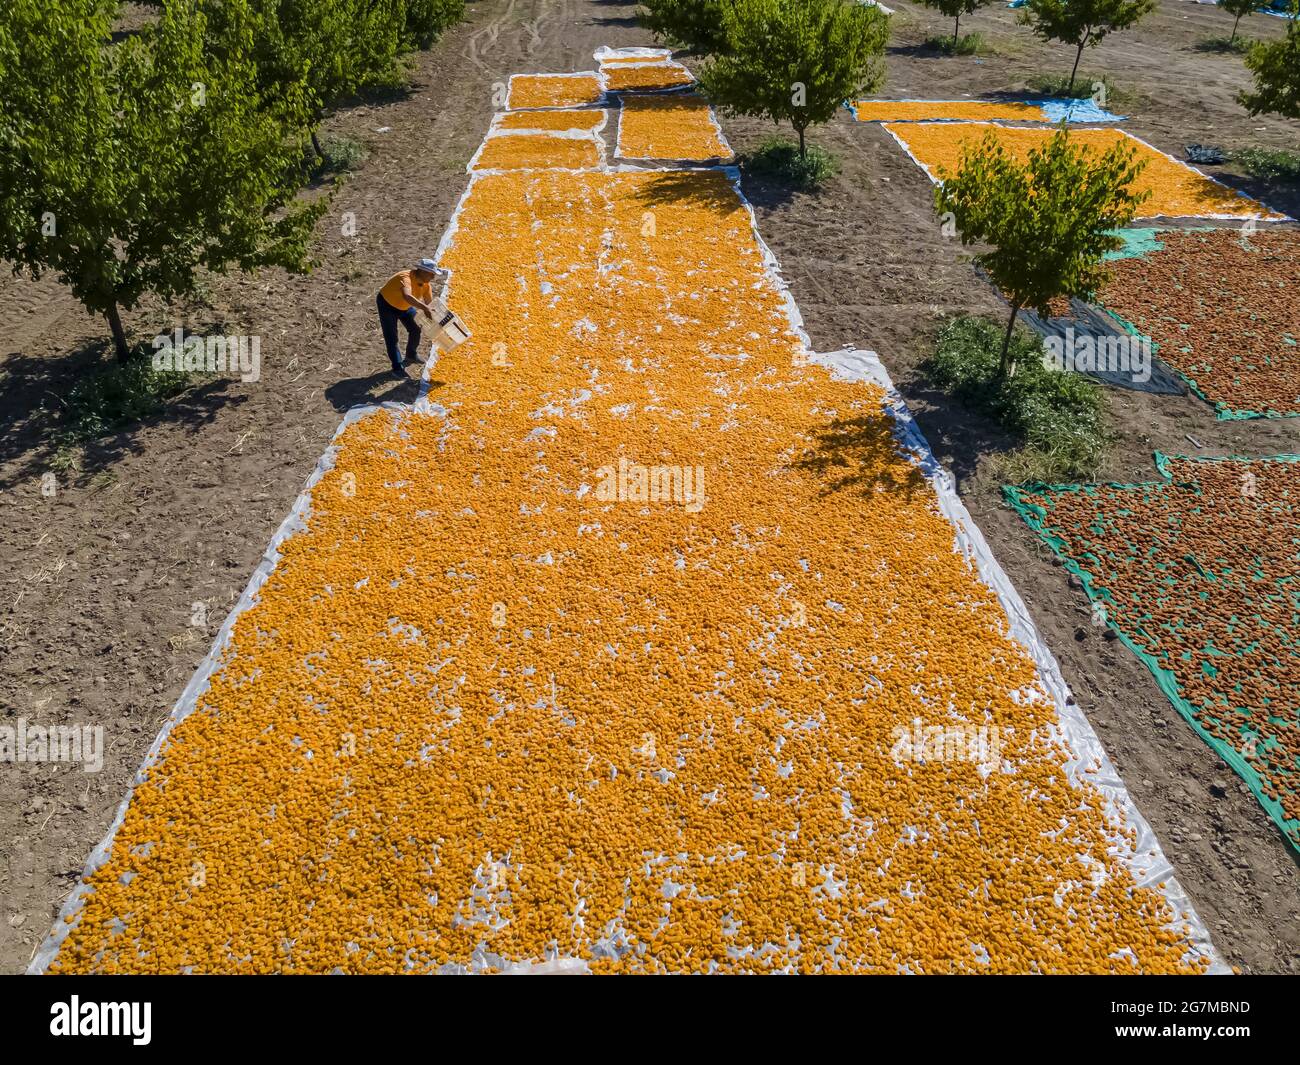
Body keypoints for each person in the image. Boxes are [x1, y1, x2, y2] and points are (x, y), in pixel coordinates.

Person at [377, 258, 443, 378]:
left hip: (404, 307)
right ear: (423, 272)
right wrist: (425, 309)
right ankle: (397, 368)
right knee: (392, 337)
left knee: (415, 329)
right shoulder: (405, 277)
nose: (433, 278)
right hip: (387, 305)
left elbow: (430, 304)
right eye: (431, 274)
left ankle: (411, 355)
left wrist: (438, 319)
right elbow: (407, 296)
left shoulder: (426, 285)